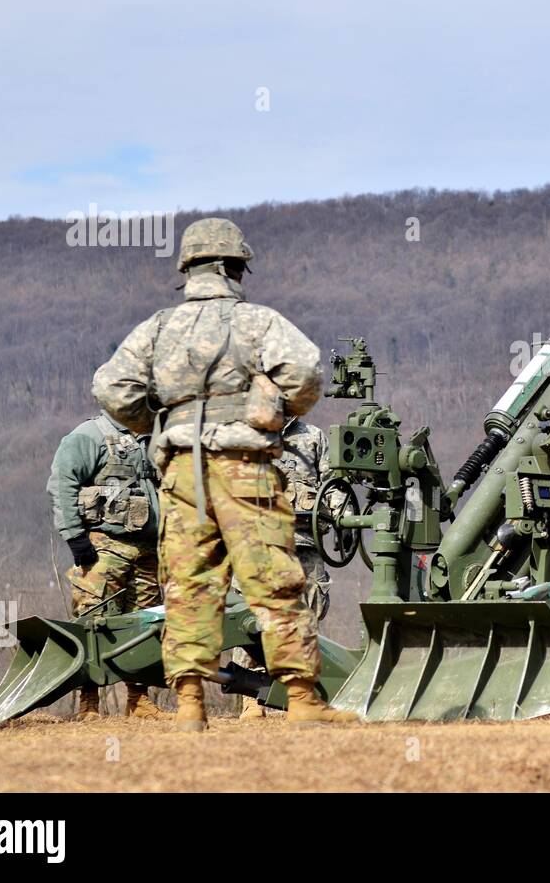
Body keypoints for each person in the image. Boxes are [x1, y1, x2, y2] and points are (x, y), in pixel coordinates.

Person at [92, 216, 356, 732]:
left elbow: (112, 388)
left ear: (187, 269)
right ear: (236, 267)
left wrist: (163, 425)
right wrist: (273, 412)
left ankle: (190, 705)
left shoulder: (158, 327)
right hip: (244, 466)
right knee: (273, 578)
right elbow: (306, 373)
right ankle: (302, 698)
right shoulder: (258, 322)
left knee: (189, 582)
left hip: (182, 472)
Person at [47, 409, 168, 720]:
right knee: (93, 621)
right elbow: (62, 485)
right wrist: (75, 536)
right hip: (103, 547)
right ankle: (89, 703)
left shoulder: (152, 438)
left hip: (148, 549)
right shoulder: (89, 436)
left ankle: (139, 700)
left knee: (146, 623)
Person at [233, 417, 334, 720]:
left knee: (310, 613)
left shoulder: (313, 436)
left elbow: (332, 484)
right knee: (249, 619)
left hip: (305, 542)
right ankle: (250, 696)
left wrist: (342, 520)